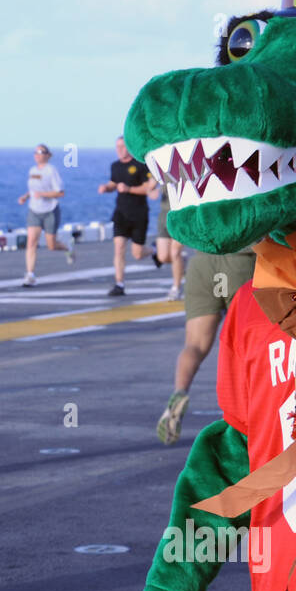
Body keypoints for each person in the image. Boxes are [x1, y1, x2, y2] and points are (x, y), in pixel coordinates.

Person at [155, 249, 255, 444]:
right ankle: (246, 414)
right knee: (250, 344)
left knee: (195, 345)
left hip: (202, 263)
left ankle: (179, 392)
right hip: (241, 262)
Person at [97, 136, 158, 296]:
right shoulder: (115, 166)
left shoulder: (140, 165)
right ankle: (119, 284)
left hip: (139, 214)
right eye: (117, 147)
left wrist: (129, 189)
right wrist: (106, 187)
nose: (119, 150)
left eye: (123, 147)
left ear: (129, 148)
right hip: (120, 213)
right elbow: (114, 183)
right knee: (119, 248)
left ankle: (153, 250)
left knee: (137, 254)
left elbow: (148, 189)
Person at [17, 144, 74, 287]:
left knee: (51, 245)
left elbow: (61, 193)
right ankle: (30, 275)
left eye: (41, 152)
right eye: (35, 152)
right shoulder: (33, 170)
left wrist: (42, 194)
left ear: (48, 155)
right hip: (34, 210)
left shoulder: (51, 171)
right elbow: (32, 190)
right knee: (31, 242)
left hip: (50, 210)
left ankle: (67, 248)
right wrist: (25, 197)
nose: (37, 154)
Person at [153, 177, 184, 300]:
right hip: (164, 215)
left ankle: (176, 288)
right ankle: (182, 261)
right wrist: (151, 188)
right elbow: (150, 186)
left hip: (181, 214)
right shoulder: (160, 165)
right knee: (163, 257)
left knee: (175, 252)